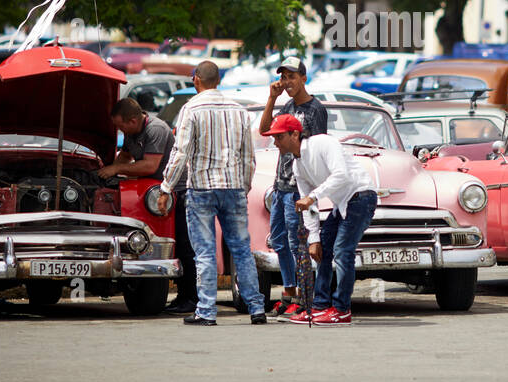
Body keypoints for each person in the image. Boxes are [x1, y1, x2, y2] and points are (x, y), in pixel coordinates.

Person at [159, 60, 266, 326]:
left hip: (202, 189)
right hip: (233, 188)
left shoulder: (190, 108)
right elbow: (247, 157)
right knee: (241, 250)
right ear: (218, 80)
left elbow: (180, 152)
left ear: (196, 79)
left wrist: (166, 187)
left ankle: (206, 311)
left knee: (204, 253)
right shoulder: (239, 111)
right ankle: (256, 308)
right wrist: (244, 186)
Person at [265, 113, 378, 326]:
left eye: (279, 136)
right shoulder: (298, 166)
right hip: (343, 202)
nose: (275, 142)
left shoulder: (323, 142)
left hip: (361, 196)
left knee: (343, 252)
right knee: (322, 251)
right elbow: (310, 207)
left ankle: (342, 310)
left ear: (295, 134)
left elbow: (340, 175)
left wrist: (312, 197)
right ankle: (319, 306)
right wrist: (314, 239)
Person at [103, 97, 196, 314]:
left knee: (183, 246)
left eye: (120, 126)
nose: (119, 131)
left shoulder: (156, 130)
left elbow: (150, 166)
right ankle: (183, 298)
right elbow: (124, 157)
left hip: (177, 193)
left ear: (133, 120)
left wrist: (115, 170)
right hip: (154, 194)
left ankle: (190, 298)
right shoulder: (131, 133)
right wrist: (106, 170)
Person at [258, 55, 328, 319]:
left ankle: (303, 295)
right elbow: (265, 130)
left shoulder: (315, 109)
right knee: (278, 240)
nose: (287, 82)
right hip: (280, 184)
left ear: (303, 78)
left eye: (292, 76)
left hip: (299, 185)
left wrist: (311, 192)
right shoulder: (286, 105)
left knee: (297, 241)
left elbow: (318, 149)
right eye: (283, 77)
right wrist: (271, 99)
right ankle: (289, 292)